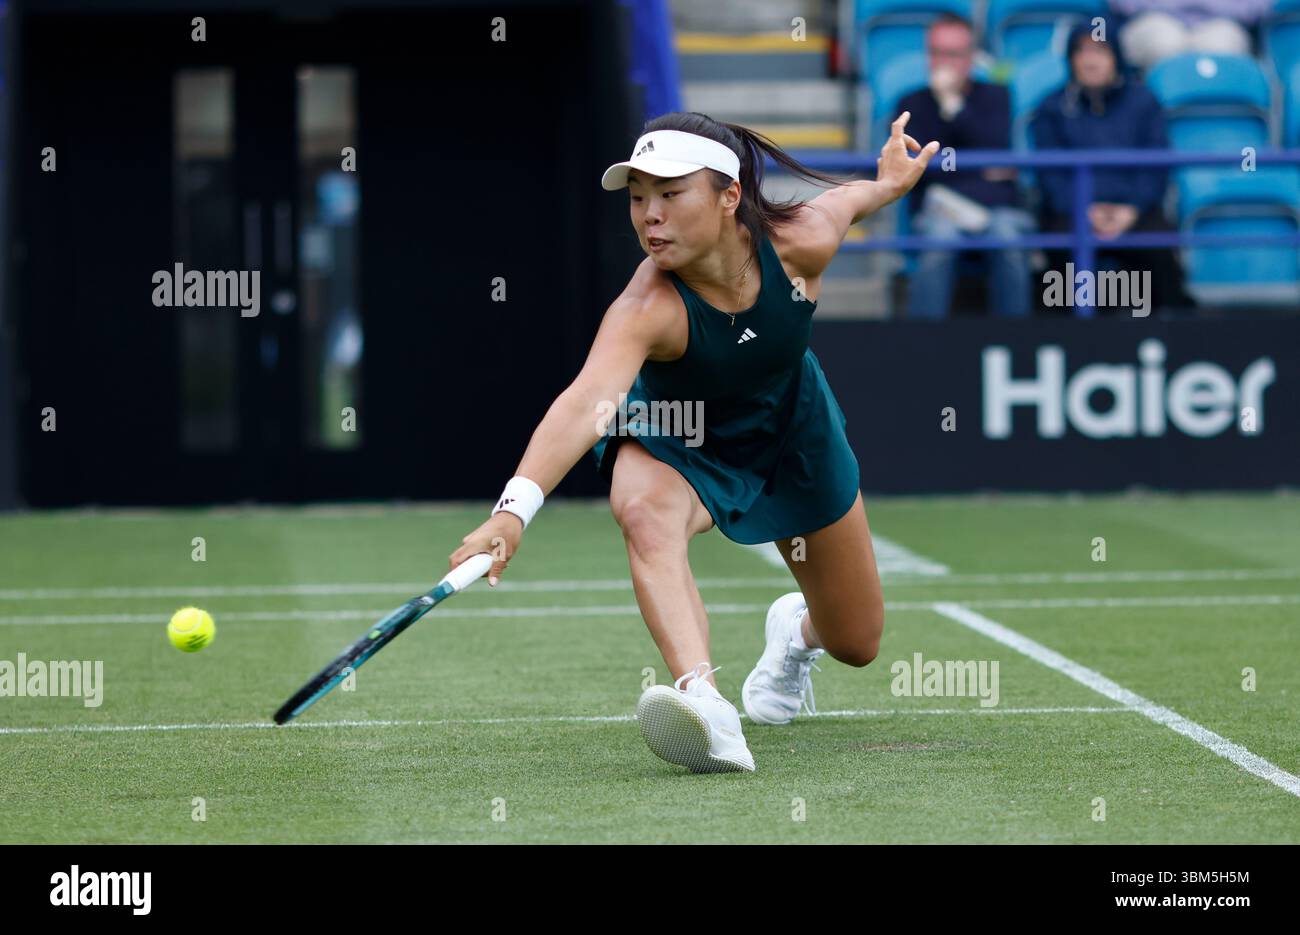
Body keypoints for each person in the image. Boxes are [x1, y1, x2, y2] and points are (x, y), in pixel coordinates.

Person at [448, 112, 940, 773]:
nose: (650, 216)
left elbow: (844, 199)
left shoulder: (801, 245)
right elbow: (585, 404)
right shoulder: (646, 307)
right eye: (638, 198)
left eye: (670, 194)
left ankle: (792, 637)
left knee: (857, 638)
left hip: (794, 428)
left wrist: (886, 185)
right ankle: (703, 701)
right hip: (682, 432)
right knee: (644, 511)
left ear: (728, 196)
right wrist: (511, 512)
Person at [1033, 21, 1191, 314]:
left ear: (1116, 56)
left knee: (1159, 249)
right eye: (1081, 51)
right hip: (1074, 214)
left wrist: (1131, 210)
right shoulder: (1051, 107)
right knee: (1058, 255)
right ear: (1070, 59)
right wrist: (1084, 211)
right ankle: (1063, 345)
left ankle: (1176, 338)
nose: (1090, 60)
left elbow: (1157, 165)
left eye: (1100, 51)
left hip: (1135, 213)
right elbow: (1050, 175)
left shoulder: (1144, 101)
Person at [897, 13, 1032, 318]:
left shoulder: (997, 96)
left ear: (971, 58)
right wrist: (982, 172)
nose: (945, 62)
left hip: (998, 210)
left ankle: (1016, 341)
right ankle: (923, 342)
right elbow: (916, 168)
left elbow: (994, 149)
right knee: (939, 239)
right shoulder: (910, 103)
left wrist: (953, 106)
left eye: (954, 54)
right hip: (938, 211)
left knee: (1009, 238)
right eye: (937, 53)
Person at [1110, 0, 1271, 71]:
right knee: (1164, 42)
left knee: (1222, 45)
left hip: (1221, 22)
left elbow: (1257, 7)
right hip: (1153, 19)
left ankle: (1216, 128)